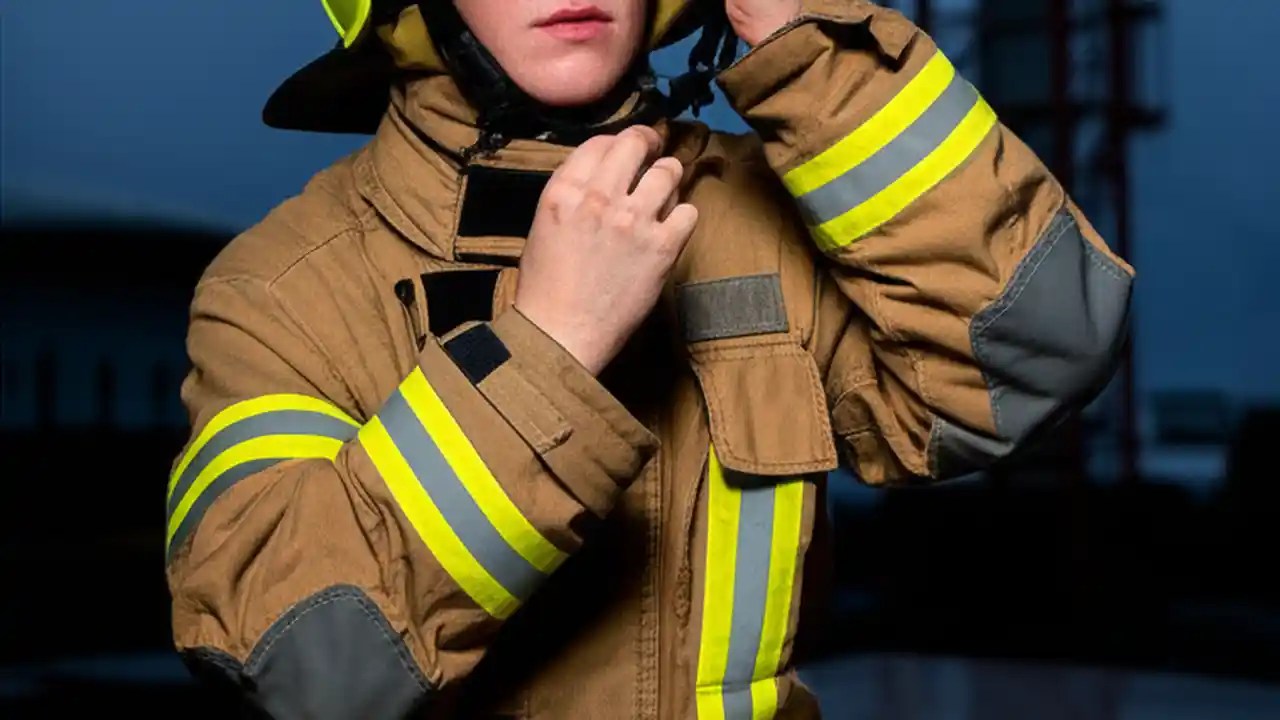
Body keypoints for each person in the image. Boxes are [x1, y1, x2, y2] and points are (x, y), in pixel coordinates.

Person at [162, 0, 1135, 717]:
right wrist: (548, 349)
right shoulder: (280, 288)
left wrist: (819, 60)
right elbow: (294, 662)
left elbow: (1025, 362)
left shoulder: (773, 215)